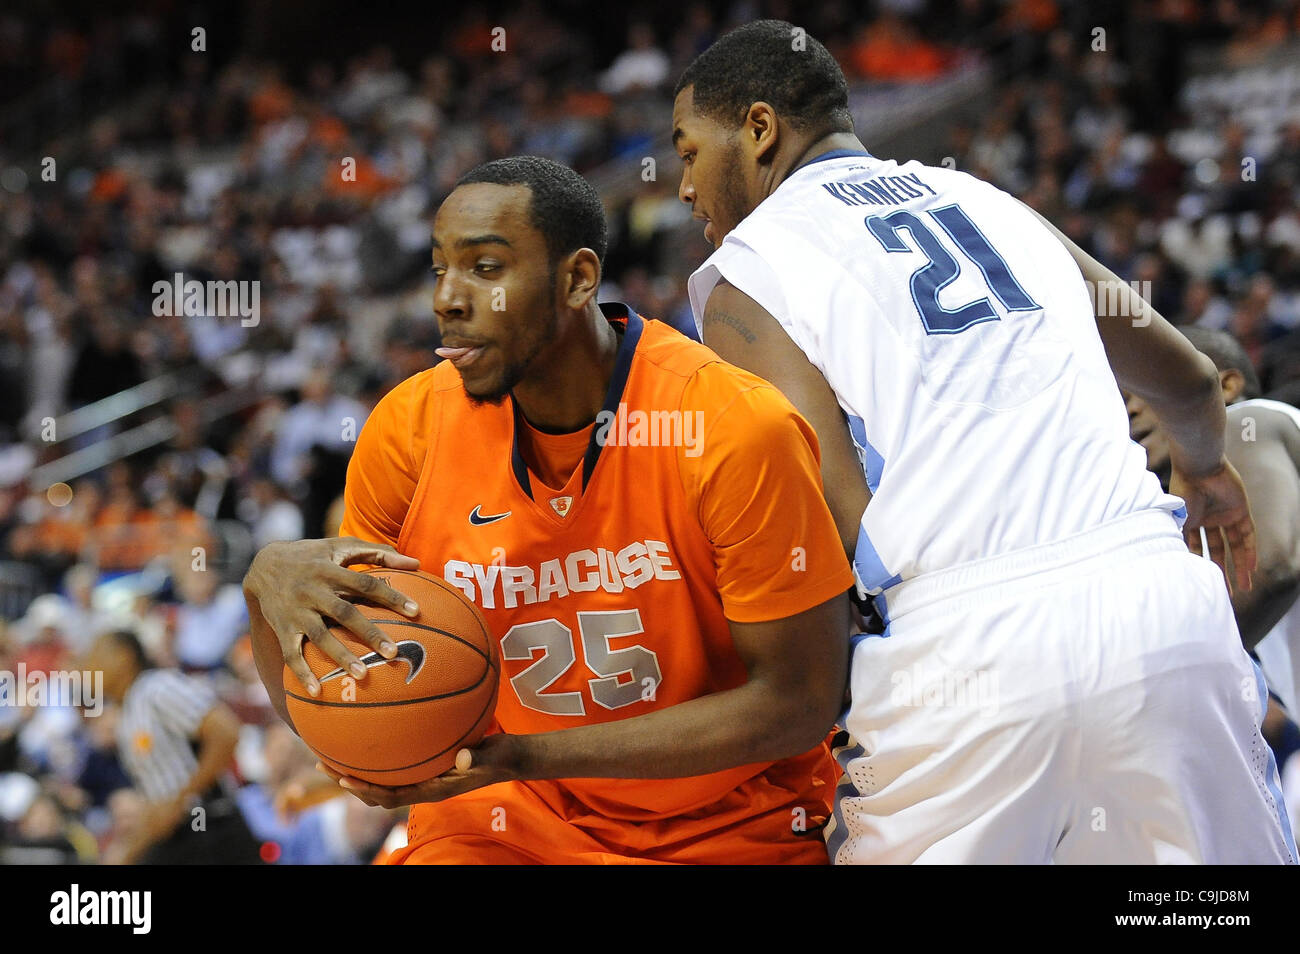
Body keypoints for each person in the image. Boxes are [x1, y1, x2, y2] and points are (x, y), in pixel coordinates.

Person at [670, 19, 1295, 864]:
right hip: (1158, 609)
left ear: (758, 129)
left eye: (685, 151)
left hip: (965, 653)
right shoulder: (990, 199)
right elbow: (1183, 376)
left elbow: (836, 507)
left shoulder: (746, 270)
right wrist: (1207, 469)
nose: (680, 186)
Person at [242, 156, 854, 864]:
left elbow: (798, 703)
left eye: (487, 268)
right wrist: (267, 591)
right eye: (441, 268)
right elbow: (350, 699)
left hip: (729, 818)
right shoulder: (406, 430)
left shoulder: (729, 425)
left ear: (577, 279)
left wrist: (525, 754)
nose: (447, 297)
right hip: (507, 821)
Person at [1128, 326, 1300, 716]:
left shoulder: (1245, 421)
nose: (1131, 409)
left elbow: (1270, 569)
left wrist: (1156, 692)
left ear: (1225, 387)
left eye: (1140, 389)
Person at [82, 629, 262, 864]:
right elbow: (158, 803)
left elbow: (227, 733)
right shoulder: (127, 713)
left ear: (123, 656)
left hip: (209, 824)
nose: (89, 667)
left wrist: (180, 799)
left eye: (96, 657)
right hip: (182, 834)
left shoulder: (159, 688)